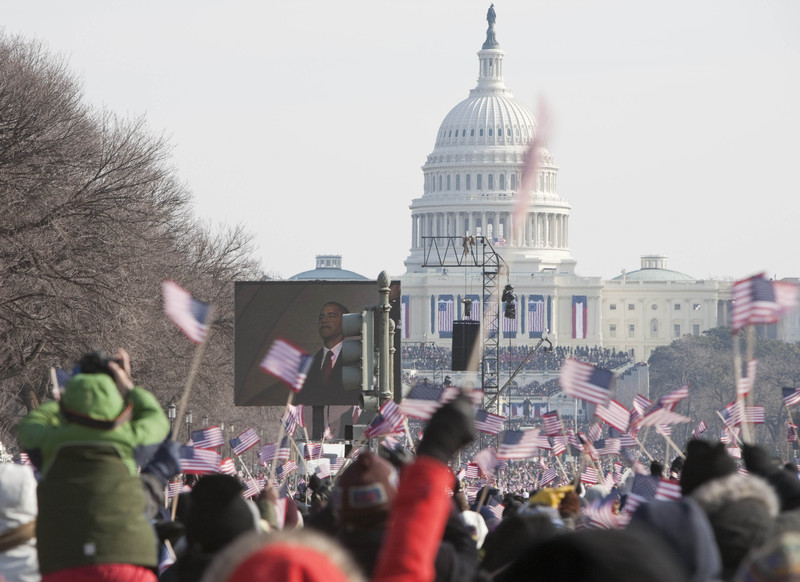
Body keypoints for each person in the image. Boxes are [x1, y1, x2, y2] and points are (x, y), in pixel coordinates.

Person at [18, 348, 170, 582]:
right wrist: (127, 384)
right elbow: (157, 419)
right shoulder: (128, 436)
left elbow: (30, 425)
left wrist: (68, 397)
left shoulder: (50, 441)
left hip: (63, 562)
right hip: (126, 562)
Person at [298, 301, 359, 407]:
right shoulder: (308, 365)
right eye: (321, 317)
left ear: (346, 323)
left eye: (331, 316)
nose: (324, 320)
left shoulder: (357, 361)